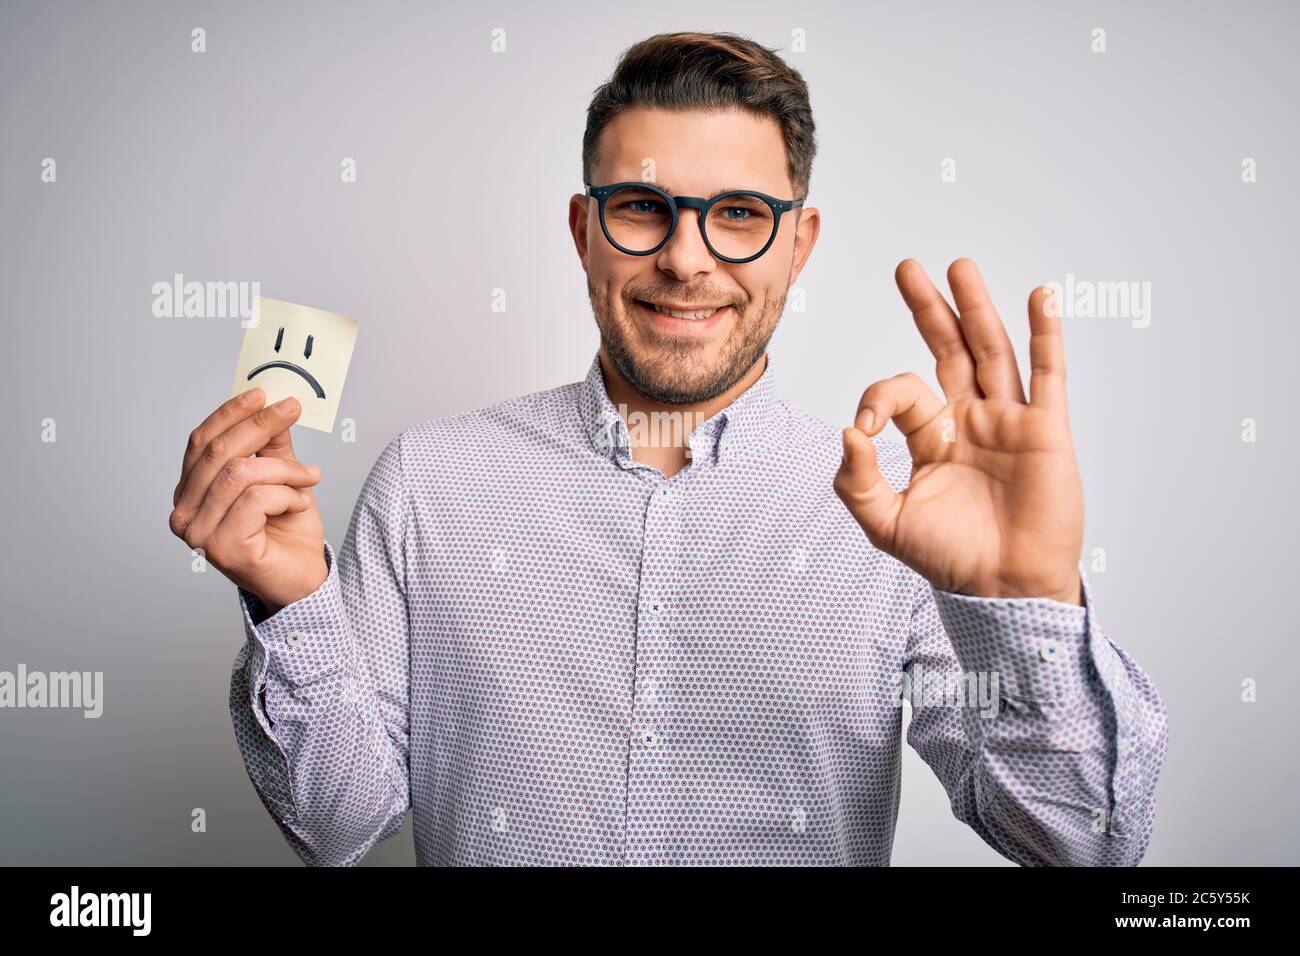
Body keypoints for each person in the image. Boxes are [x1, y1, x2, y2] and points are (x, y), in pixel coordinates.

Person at [168, 31, 1167, 866]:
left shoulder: (904, 514)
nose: (686, 259)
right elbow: (339, 823)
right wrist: (291, 604)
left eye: (738, 214)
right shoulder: (429, 480)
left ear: (799, 242)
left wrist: (1023, 601)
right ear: (584, 230)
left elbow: (1078, 841)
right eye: (643, 207)